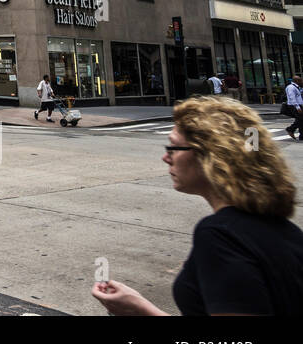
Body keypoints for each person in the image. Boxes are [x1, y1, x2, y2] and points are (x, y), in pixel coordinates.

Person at [91, 96, 303, 315]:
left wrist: (140, 311)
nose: (166, 157)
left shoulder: (220, 236)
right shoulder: (285, 231)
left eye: (174, 146)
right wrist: (140, 308)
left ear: (210, 156)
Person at [285, 75, 303, 142]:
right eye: (301, 80)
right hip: (294, 106)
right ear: (297, 81)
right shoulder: (291, 87)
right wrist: (298, 107)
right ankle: (290, 129)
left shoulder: (297, 87)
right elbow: (292, 98)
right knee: (300, 120)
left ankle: (301, 135)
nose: (302, 81)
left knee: (300, 120)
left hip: (298, 106)